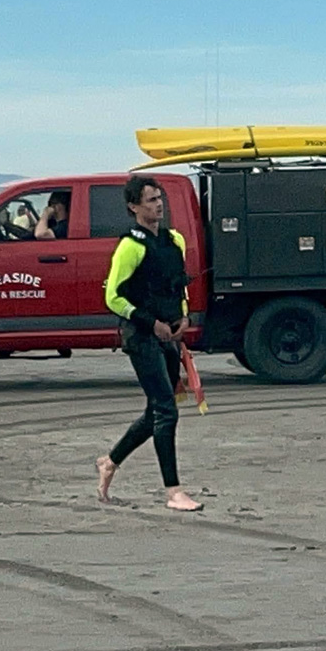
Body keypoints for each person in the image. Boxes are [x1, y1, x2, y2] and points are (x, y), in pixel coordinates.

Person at [95, 176, 202, 513]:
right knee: (166, 409)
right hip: (141, 338)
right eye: (151, 200)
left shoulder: (175, 241)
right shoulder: (130, 246)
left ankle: (109, 462)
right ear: (134, 207)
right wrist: (149, 322)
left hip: (169, 336)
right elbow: (113, 296)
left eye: (160, 198)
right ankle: (174, 492)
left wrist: (183, 318)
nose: (158, 205)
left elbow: (177, 287)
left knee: (154, 411)